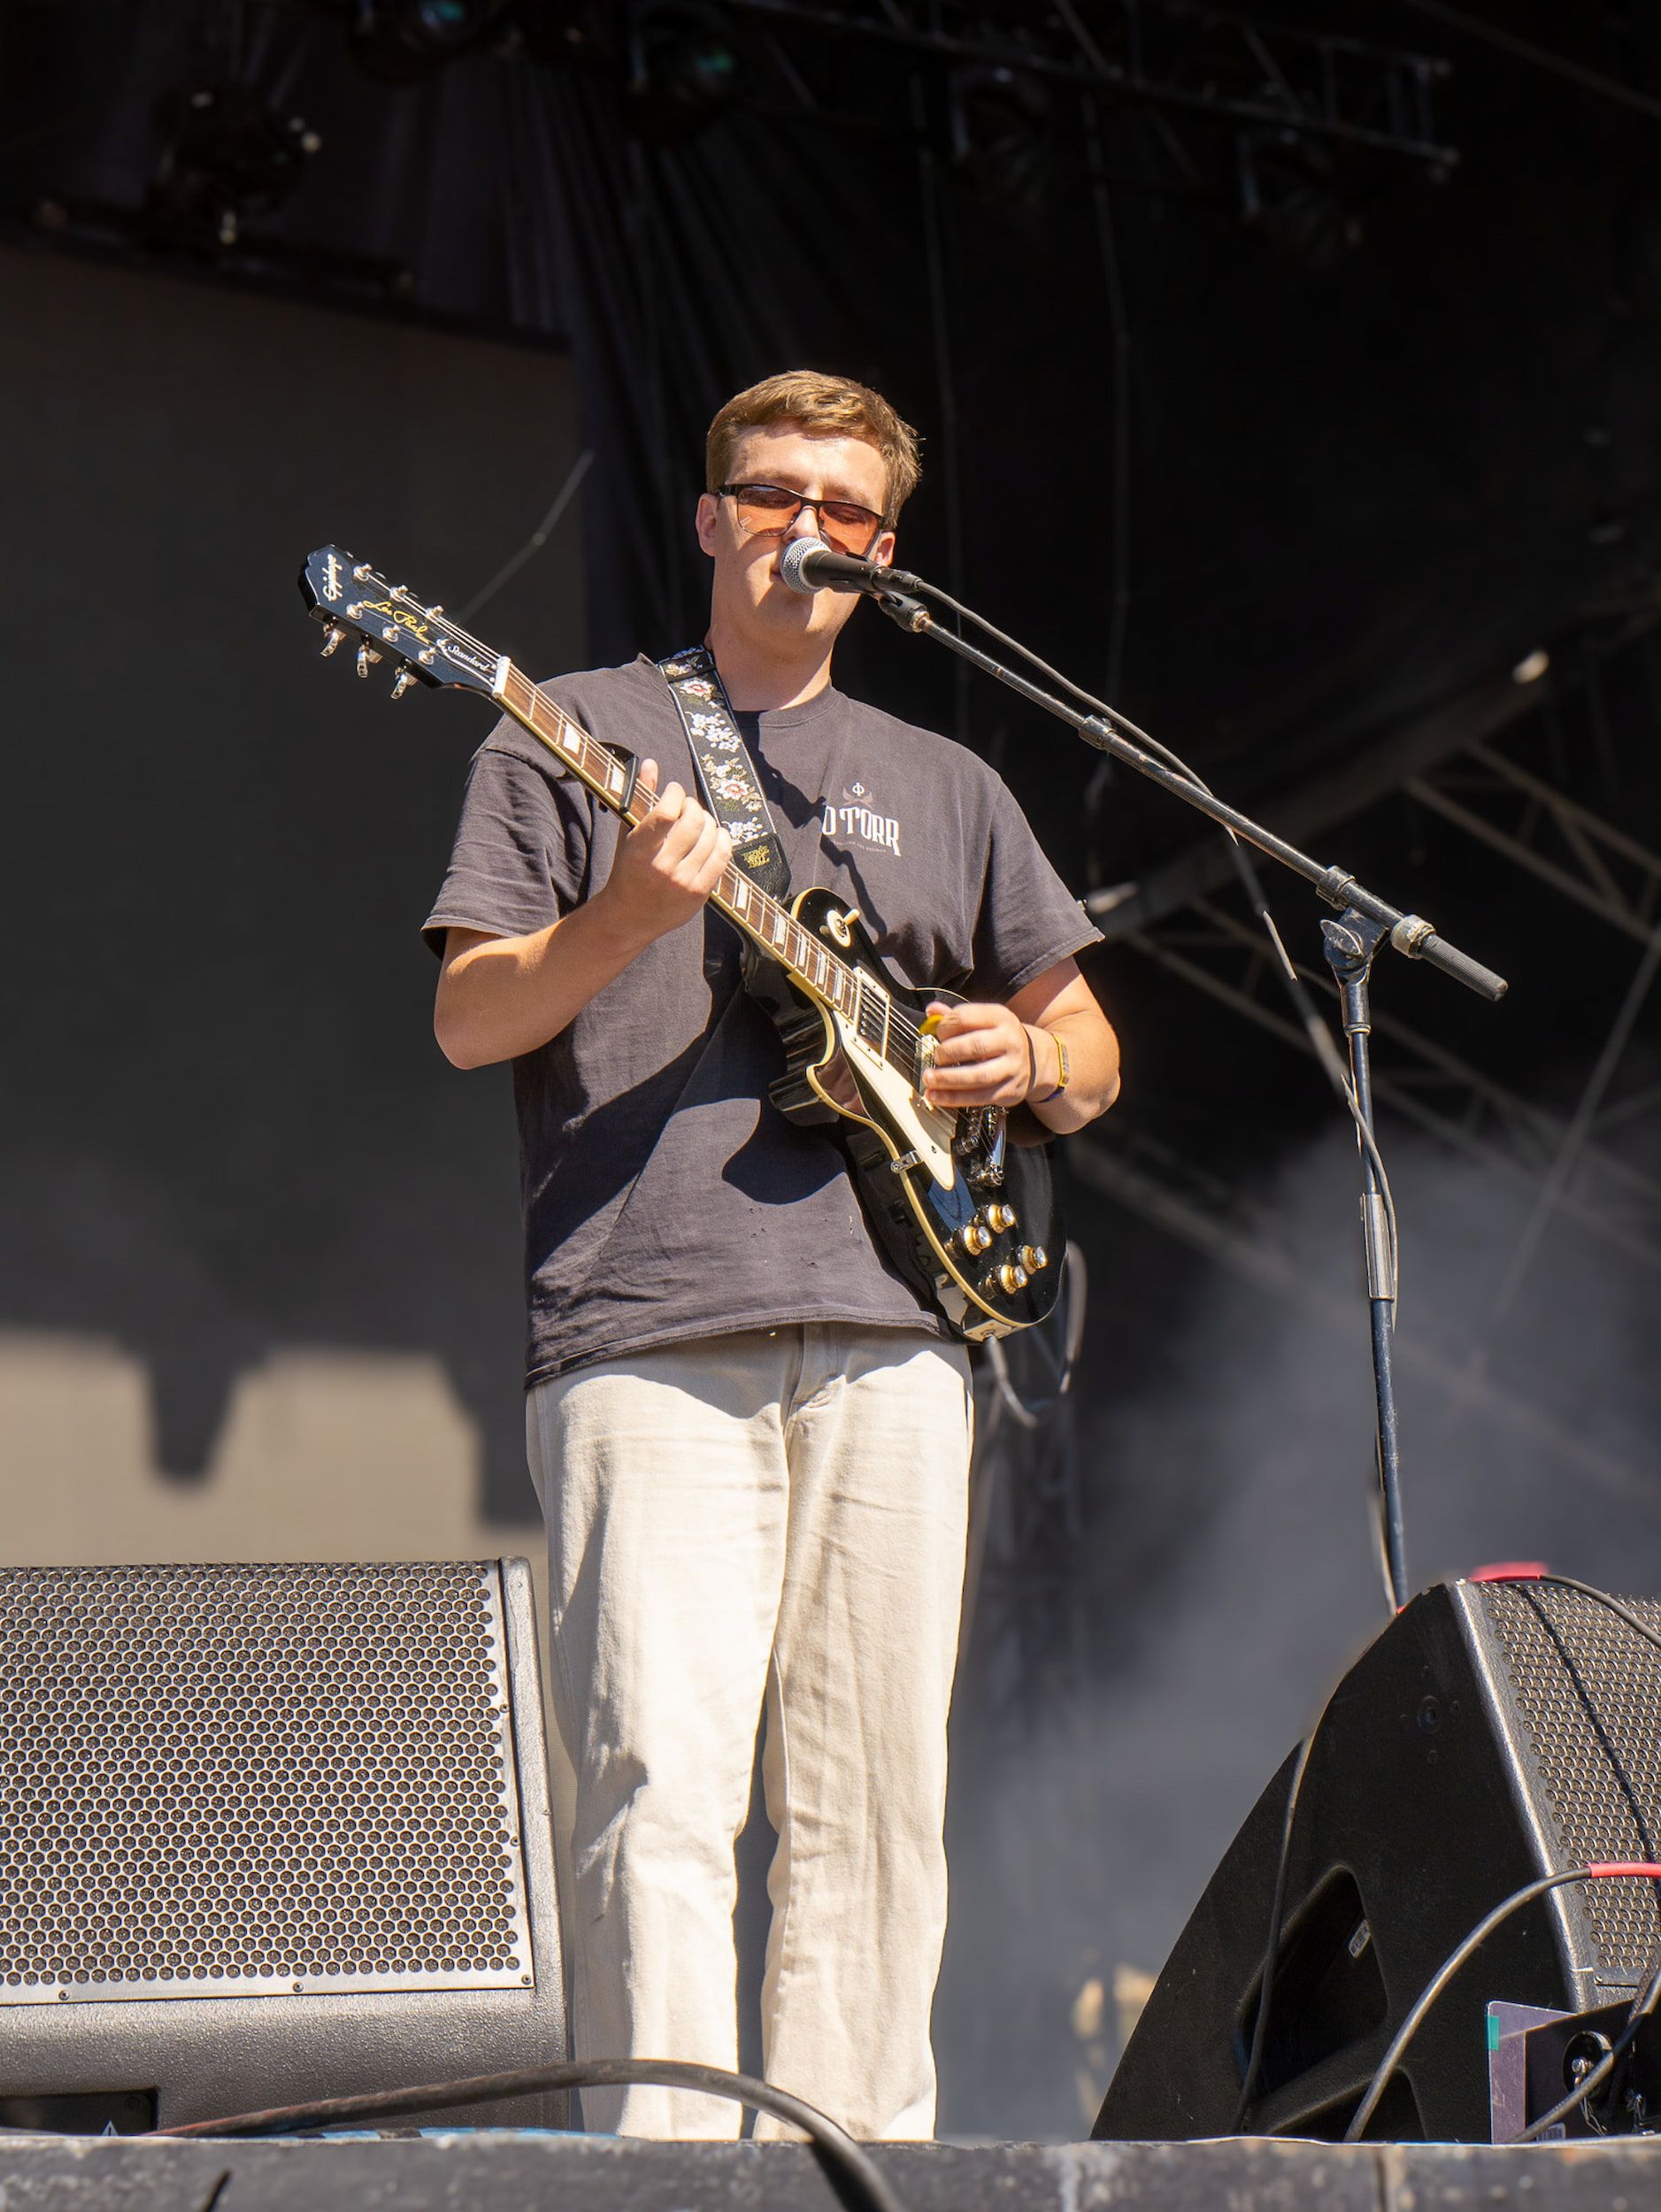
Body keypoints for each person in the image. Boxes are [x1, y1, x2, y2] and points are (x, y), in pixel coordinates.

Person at [423, 370, 1120, 2141]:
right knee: (659, 1787)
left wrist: (1029, 1058)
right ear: (712, 515)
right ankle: (665, 2175)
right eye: (774, 492)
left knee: (876, 1807)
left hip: (897, 1332)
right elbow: (469, 1016)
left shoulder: (948, 784)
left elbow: (1090, 1046)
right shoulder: (571, 727)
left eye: (847, 507)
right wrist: (627, 916)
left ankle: (855, 2163)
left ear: (883, 552)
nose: (808, 525)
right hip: (648, 1324)